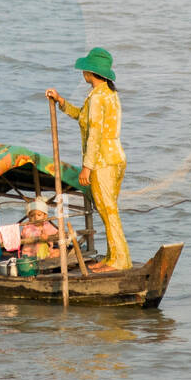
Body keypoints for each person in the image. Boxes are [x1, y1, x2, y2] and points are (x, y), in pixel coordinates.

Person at [46, 47, 130, 271]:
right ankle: (114, 257)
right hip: (115, 158)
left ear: (91, 73)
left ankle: (120, 261)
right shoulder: (106, 95)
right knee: (107, 209)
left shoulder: (97, 99)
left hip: (102, 161)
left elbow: (94, 134)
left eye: (85, 69)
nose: (83, 72)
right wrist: (61, 101)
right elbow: (82, 118)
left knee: (107, 209)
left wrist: (87, 168)